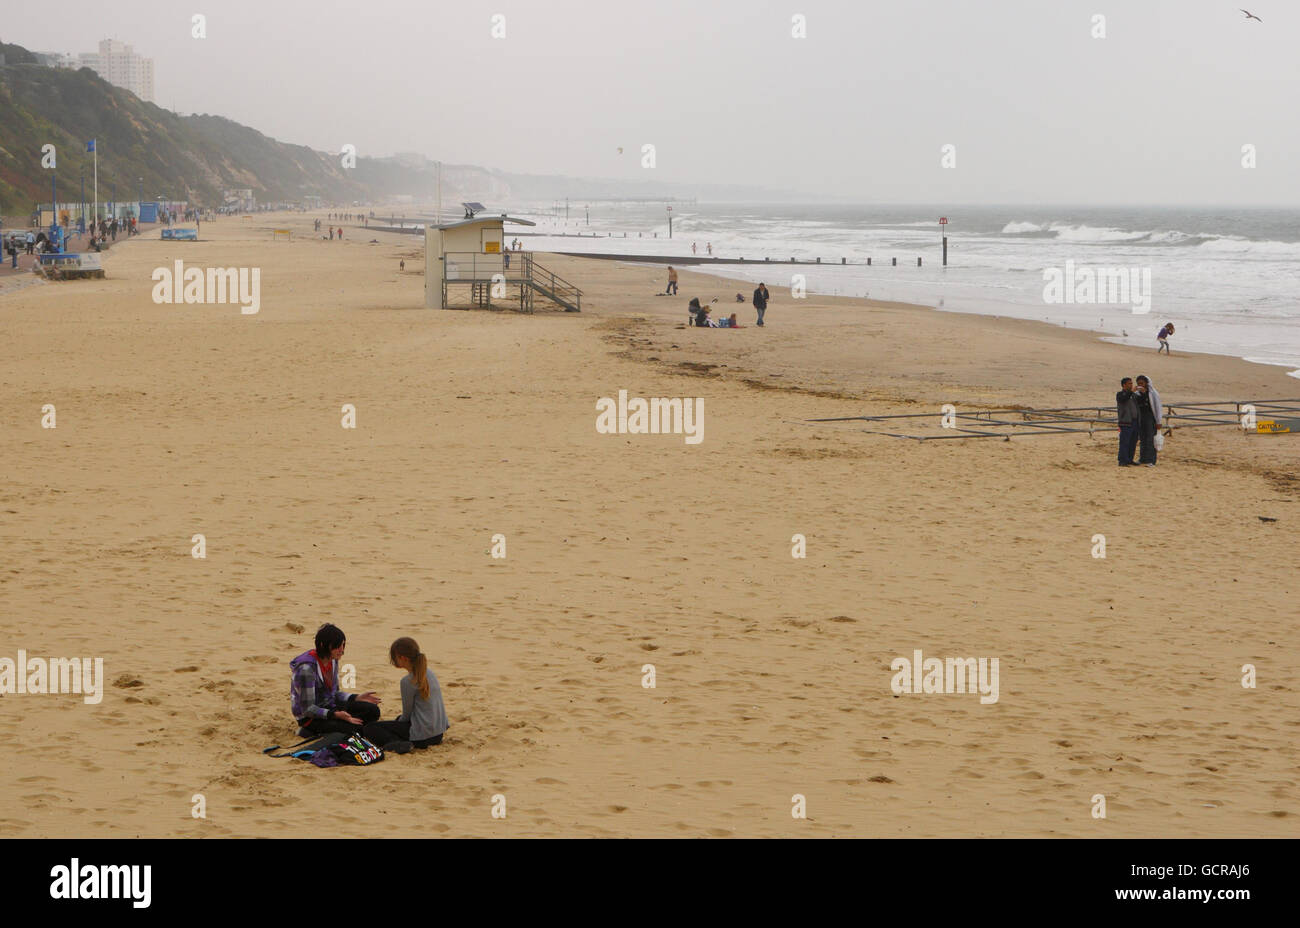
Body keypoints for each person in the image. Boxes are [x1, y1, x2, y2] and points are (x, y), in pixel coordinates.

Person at [289, 623, 382, 737]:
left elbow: (335, 693)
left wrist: (356, 698)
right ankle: (309, 730)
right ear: (324, 645)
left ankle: (332, 727)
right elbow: (308, 709)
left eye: (343, 645)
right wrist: (335, 715)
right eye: (338, 647)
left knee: (373, 711)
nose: (342, 651)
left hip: (330, 706)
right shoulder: (306, 669)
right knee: (356, 729)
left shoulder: (333, 659)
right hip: (310, 718)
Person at [362, 637, 449, 753]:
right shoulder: (429, 673)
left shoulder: (408, 681)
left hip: (422, 737)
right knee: (397, 721)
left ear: (402, 658)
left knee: (370, 728)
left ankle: (397, 744)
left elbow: (406, 716)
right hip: (438, 734)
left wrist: (397, 722)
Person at [1134, 375, 1161, 466]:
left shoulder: (1153, 393)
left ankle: (1151, 460)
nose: (1140, 385)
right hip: (1141, 418)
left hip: (1150, 417)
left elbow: (1157, 408)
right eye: (1138, 384)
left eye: (1142, 383)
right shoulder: (1137, 393)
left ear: (1146, 383)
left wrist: (1158, 421)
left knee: (1150, 439)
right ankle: (1143, 459)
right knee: (1142, 439)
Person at [1115, 377, 1140, 466]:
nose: (1131, 385)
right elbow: (1123, 399)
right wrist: (1131, 392)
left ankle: (1129, 459)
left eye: (1131, 383)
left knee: (1133, 441)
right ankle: (1122, 460)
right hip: (1125, 422)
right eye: (1129, 383)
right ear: (1124, 385)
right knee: (1124, 442)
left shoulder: (1133, 395)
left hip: (1134, 421)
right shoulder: (1120, 394)